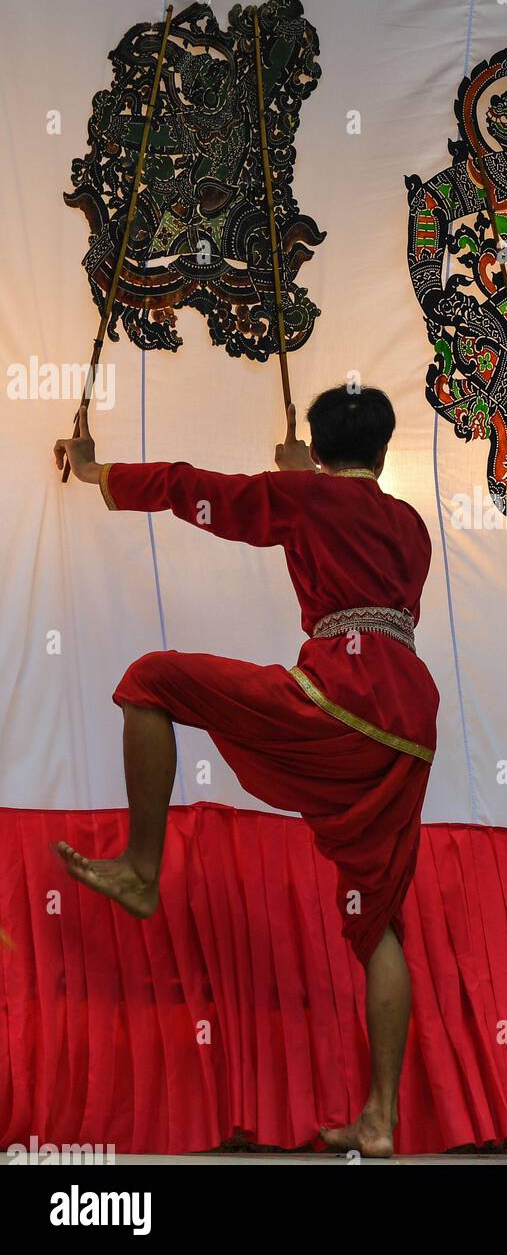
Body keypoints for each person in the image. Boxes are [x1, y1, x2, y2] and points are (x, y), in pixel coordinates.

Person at [53, 387, 439, 1159]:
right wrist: (312, 479)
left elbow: (199, 492)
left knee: (150, 679)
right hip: (410, 724)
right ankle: (380, 1119)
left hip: (343, 693)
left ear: (320, 451)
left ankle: (140, 866)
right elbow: (348, 531)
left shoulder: (307, 498)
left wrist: (99, 474)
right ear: (387, 452)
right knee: (378, 920)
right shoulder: (410, 525)